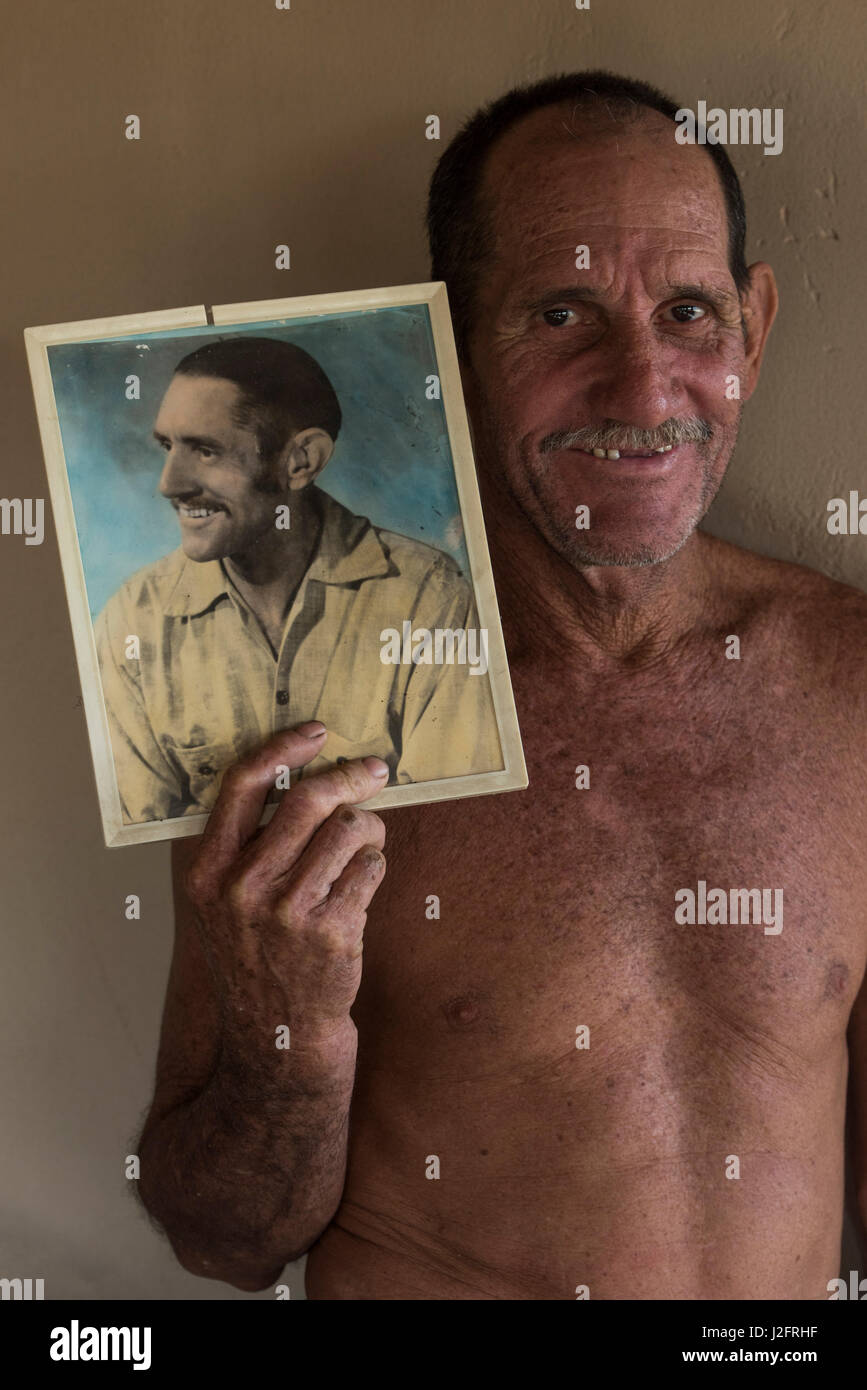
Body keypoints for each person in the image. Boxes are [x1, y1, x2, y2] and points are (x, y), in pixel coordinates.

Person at [135, 71, 867, 1300]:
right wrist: (290, 1039)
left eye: (689, 311)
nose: (644, 392)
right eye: (563, 313)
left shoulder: (851, 683)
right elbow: (224, 1240)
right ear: (452, 343)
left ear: (755, 324)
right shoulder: (305, 722)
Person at [93, 336, 501, 824]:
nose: (168, 483)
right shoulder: (129, 623)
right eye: (167, 445)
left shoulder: (430, 595)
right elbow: (154, 842)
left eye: (205, 450)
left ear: (301, 461)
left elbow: (449, 822)